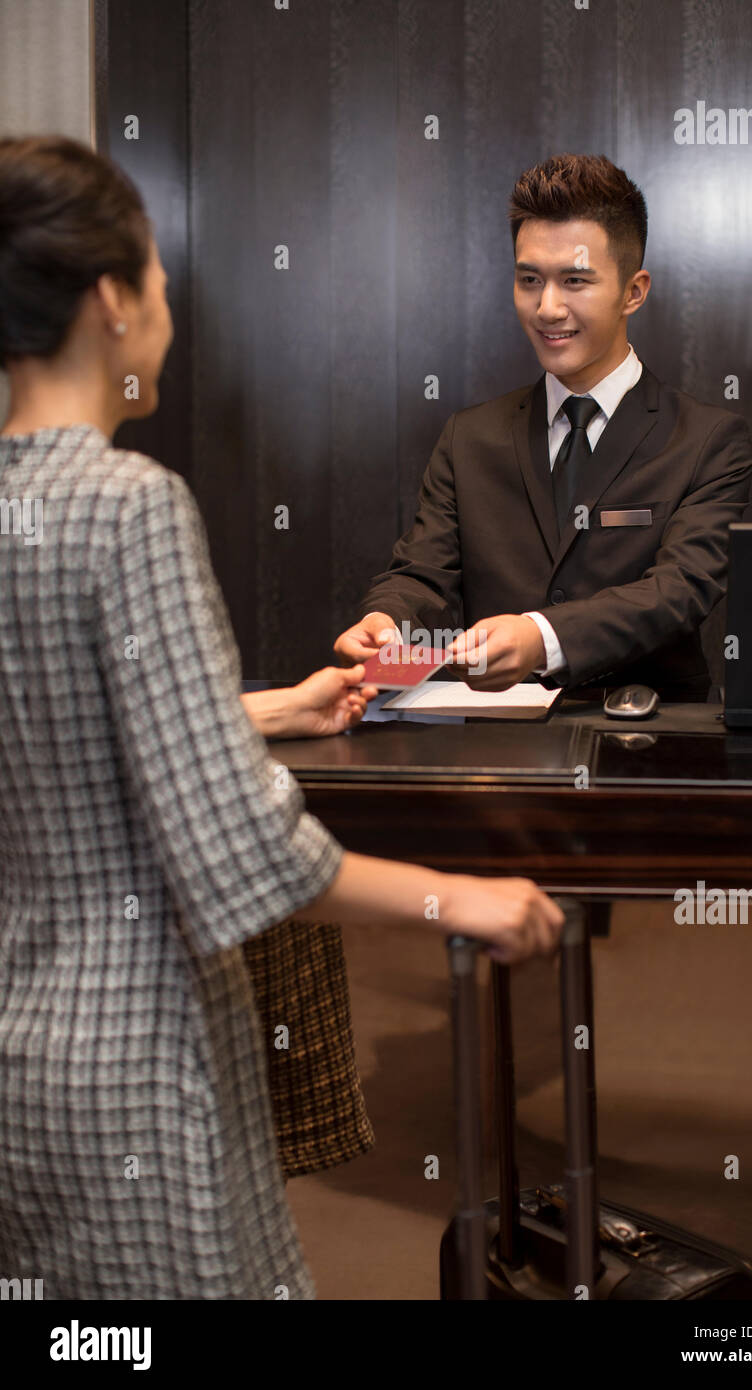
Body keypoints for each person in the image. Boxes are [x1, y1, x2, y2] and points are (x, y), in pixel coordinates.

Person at [0, 134, 564, 1301]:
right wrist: (456, 898)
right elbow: (243, 850)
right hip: (137, 1051)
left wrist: (266, 707)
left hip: (23, 1047)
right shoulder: (127, 504)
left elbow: (60, 732)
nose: (166, 302)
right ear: (111, 300)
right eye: (156, 275)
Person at [335, 153, 752, 703]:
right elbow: (424, 574)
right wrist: (388, 622)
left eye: (574, 281)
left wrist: (541, 637)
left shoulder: (708, 441)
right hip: (492, 747)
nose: (547, 308)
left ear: (634, 290)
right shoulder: (470, 438)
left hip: (646, 740)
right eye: (530, 279)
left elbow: (679, 591)